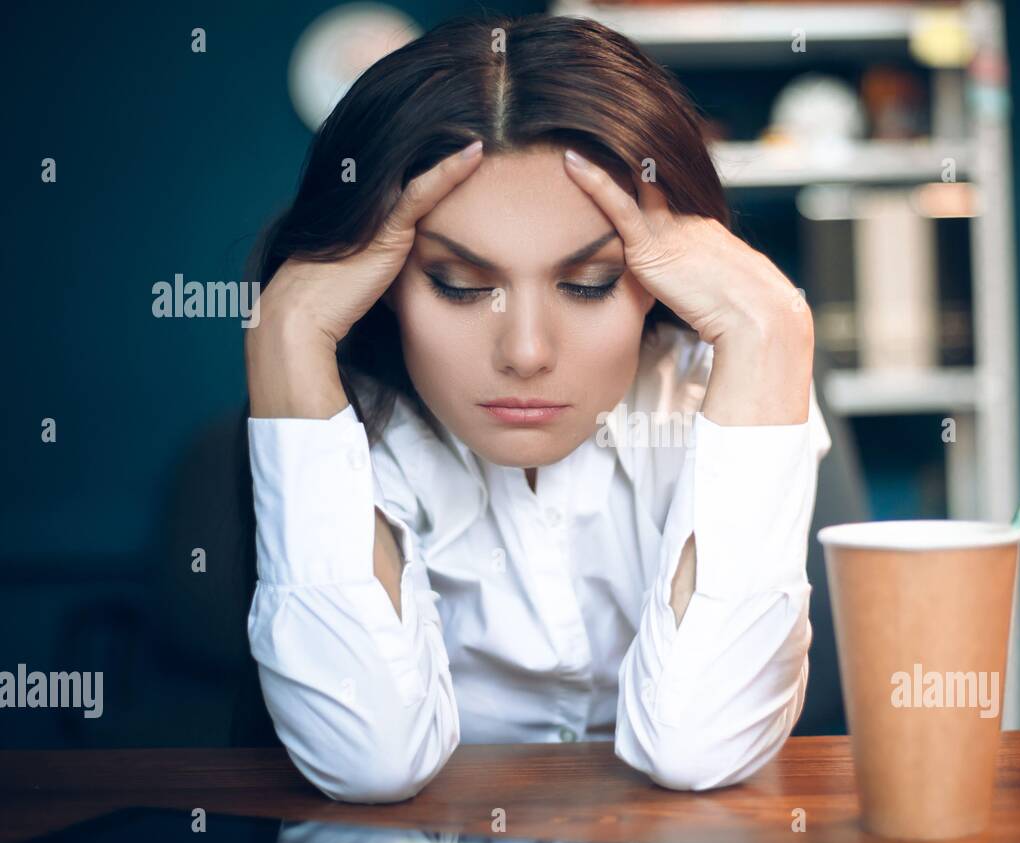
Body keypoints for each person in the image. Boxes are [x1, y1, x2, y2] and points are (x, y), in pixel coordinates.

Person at [243, 13, 830, 803]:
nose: (524, 351)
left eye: (588, 284)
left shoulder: (724, 395)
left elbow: (703, 749)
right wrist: (285, 334)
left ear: (660, 277)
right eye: (459, 282)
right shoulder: (353, 427)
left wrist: (773, 327)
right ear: (381, 285)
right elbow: (366, 761)